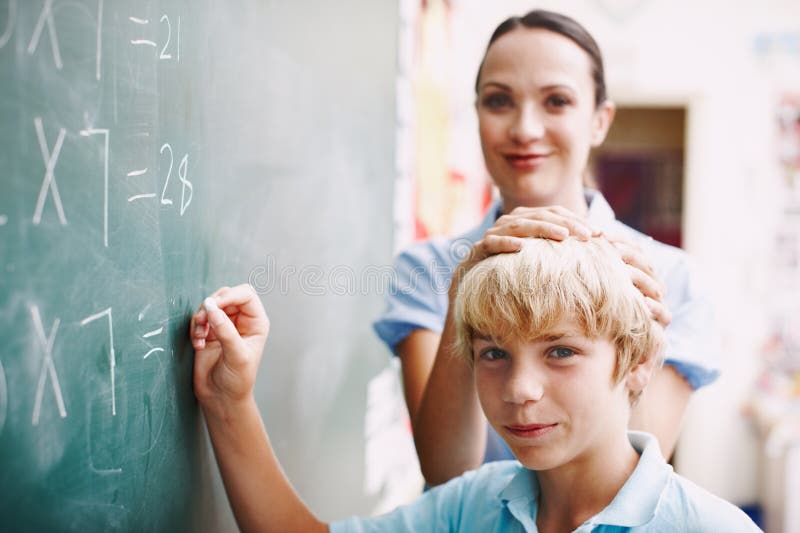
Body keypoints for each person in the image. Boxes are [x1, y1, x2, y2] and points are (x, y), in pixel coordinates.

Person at [189, 239, 758, 532]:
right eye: (493, 354)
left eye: (560, 351)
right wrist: (227, 399)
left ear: (637, 362)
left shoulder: (710, 528)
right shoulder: (476, 507)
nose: (520, 389)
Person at [374, 9, 719, 485]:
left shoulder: (670, 279)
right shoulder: (428, 269)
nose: (525, 129)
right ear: (477, 115)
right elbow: (447, 477)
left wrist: (637, 347)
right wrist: (462, 299)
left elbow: (632, 482)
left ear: (599, 120)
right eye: (499, 101)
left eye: (556, 101)